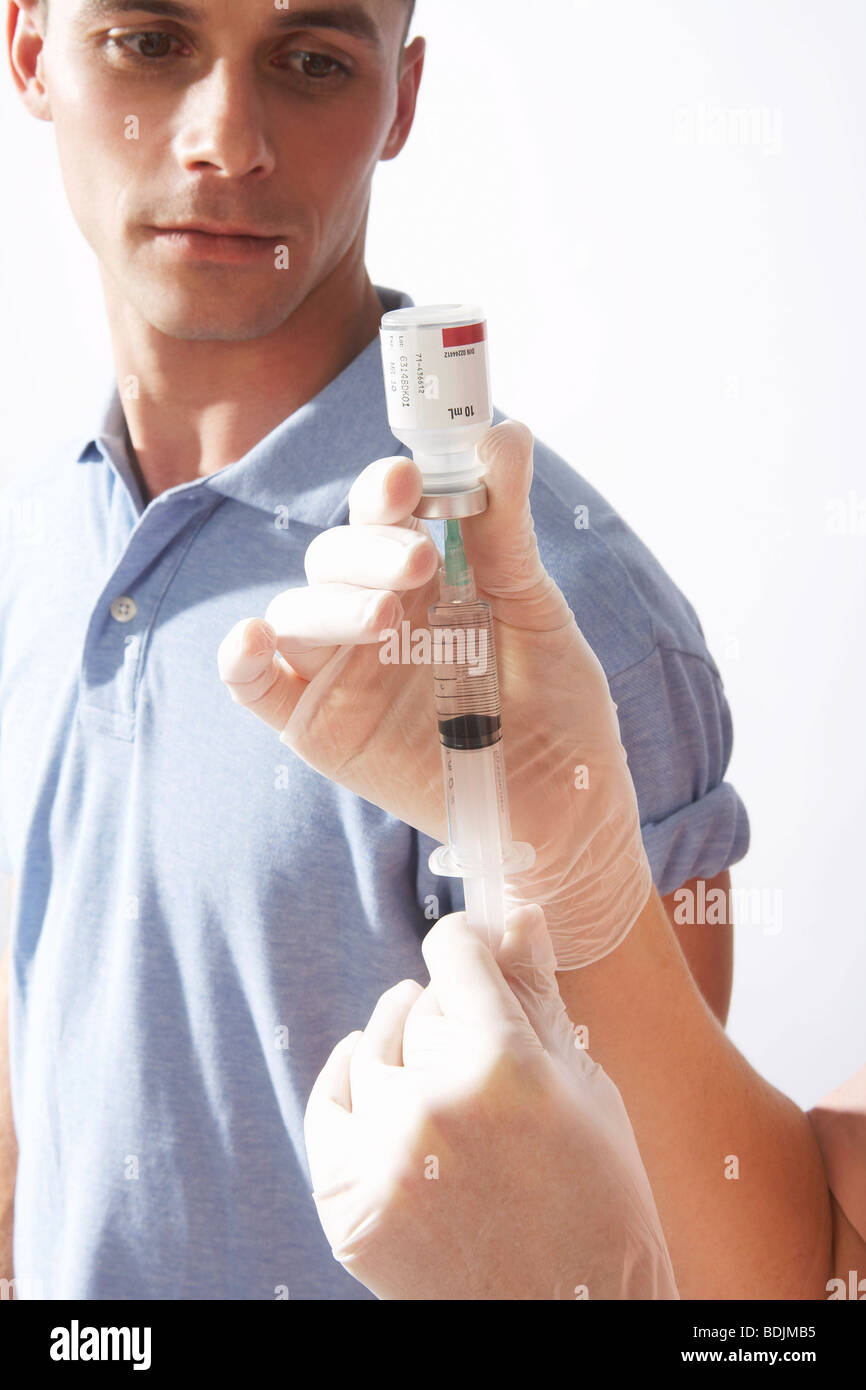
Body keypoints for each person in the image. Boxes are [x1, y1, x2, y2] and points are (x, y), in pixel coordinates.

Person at [0, 0, 747, 1300]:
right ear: (29, 55)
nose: (225, 143)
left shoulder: (573, 625)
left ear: (398, 99)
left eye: (308, 61)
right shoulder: (39, 547)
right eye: (151, 41)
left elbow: (707, 1266)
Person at [221, 422, 851, 1301]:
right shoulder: (34, 533)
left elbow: (776, 1312)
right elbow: (832, 1264)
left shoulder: (597, 605)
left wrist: (582, 1284)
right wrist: (584, 886)